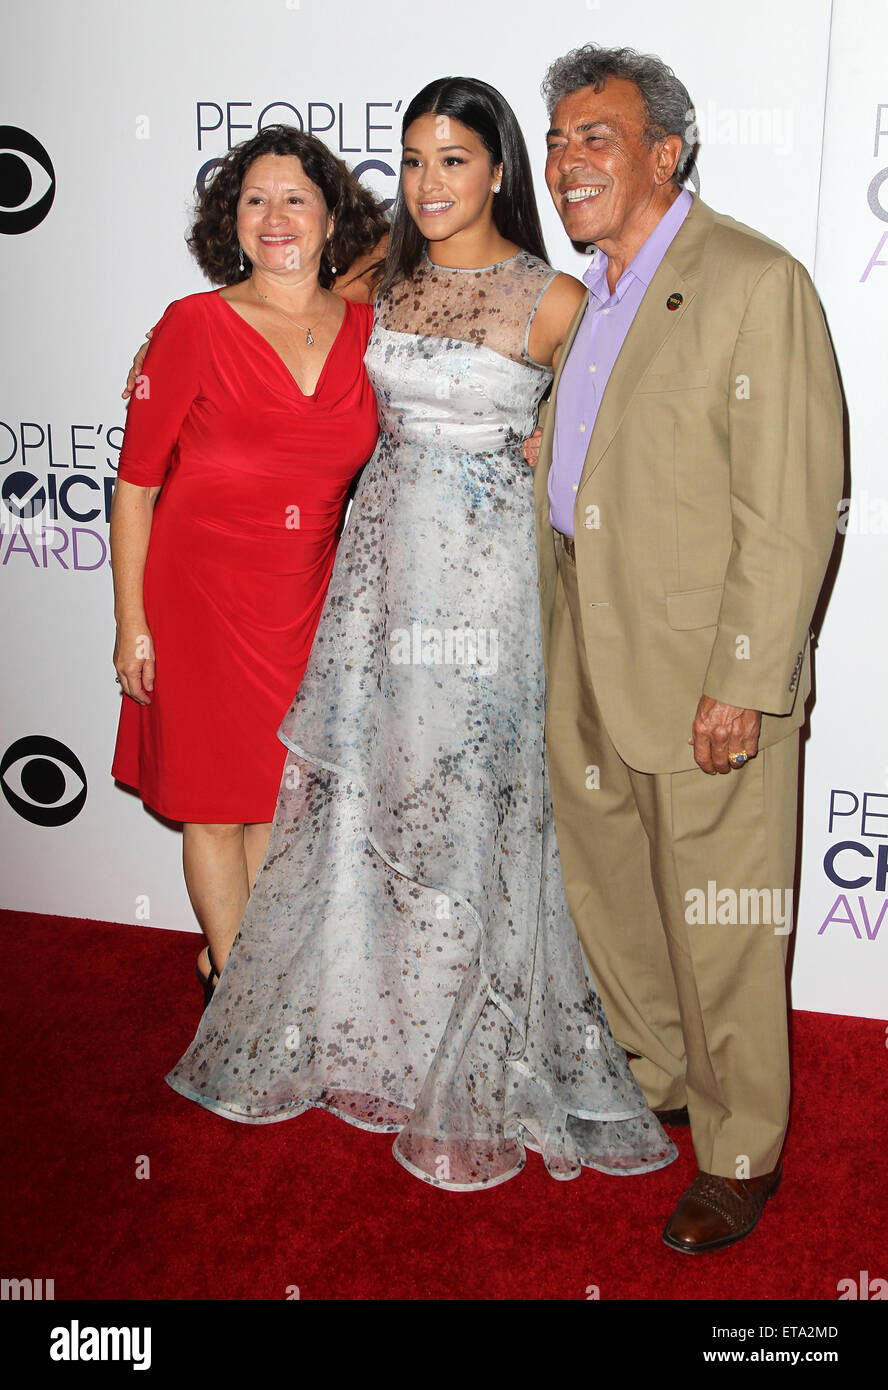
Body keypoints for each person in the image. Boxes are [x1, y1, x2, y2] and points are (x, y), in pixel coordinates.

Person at [165, 77, 678, 1192]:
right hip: (376, 587)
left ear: (499, 169)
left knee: (474, 801)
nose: (429, 183)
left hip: (487, 599)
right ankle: (374, 1024)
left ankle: (470, 1039)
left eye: (453, 159)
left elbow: (599, 452)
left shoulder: (556, 301)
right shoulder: (376, 279)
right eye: (410, 161)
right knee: (372, 793)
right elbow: (281, 313)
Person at [528, 44, 843, 1249]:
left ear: (669, 150)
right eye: (557, 141)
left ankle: (742, 1149)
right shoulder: (596, 292)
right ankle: (659, 1077)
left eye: (594, 137)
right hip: (587, 649)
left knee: (720, 919)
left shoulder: (755, 280)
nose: (566, 162)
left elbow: (790, 504)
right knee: (617, 896)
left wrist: (747, 681)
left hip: (702, 671)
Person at [111, 127, 387, 1004]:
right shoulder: (193, 325)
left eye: (296, 198)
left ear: (329, 215)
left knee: (278, 801)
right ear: (229, 221)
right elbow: (135, 488)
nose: (276, 217)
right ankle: (240, 998)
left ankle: (246, 964)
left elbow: (438, 244)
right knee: (213, 803)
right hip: (195, 599)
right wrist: (132, 624)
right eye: (254, 200)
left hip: (304, 601)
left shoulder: (373, 331)